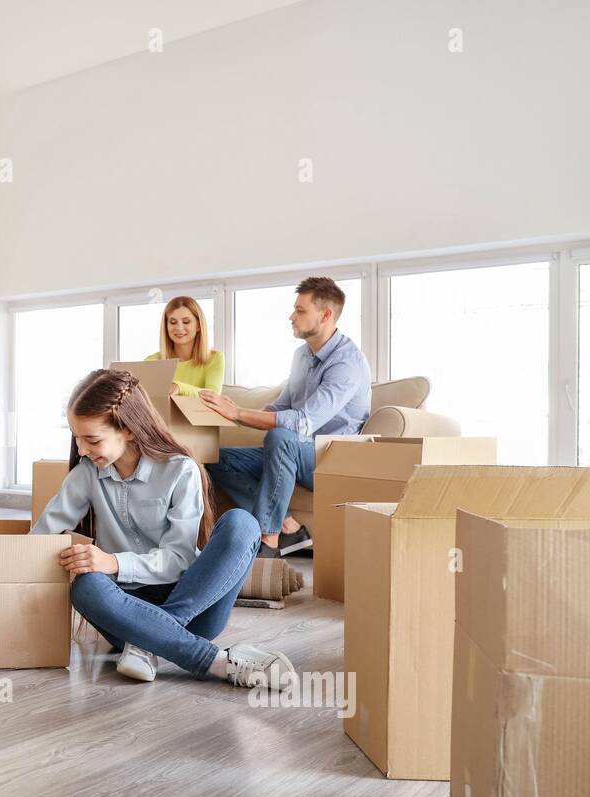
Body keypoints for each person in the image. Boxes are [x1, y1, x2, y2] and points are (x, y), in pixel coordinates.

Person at [31, 367, 294, 687]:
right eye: (76, 437)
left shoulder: (180, 470)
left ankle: (149, 642)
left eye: (92, 439)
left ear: (128, 429)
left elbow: (179, 559)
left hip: (193, 609)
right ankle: (216, 662)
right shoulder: (86, 474)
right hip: (124, 614)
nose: (82, 449)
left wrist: (113, 562)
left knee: (243, 524)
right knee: (86, 587)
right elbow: (41, 535)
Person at [201, 277, 370, 558]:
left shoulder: (347, 362)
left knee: (282, 437)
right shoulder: (301, 356)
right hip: (295, 450)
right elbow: (280, 408)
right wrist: (231, 412)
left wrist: (240, 412)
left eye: (301, 310)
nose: (292, 316)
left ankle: (268, 540)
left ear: (326, 315)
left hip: (330, 457)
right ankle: (289, 527)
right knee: (213, 457)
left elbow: (302, 422)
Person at [144, 295, 225, 397]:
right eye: (173, 322)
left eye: (186, 322)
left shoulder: (215, 358)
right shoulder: (152, 361)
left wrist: (179, 388)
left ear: (198, 326)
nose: (179, 328)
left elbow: (213, 397)